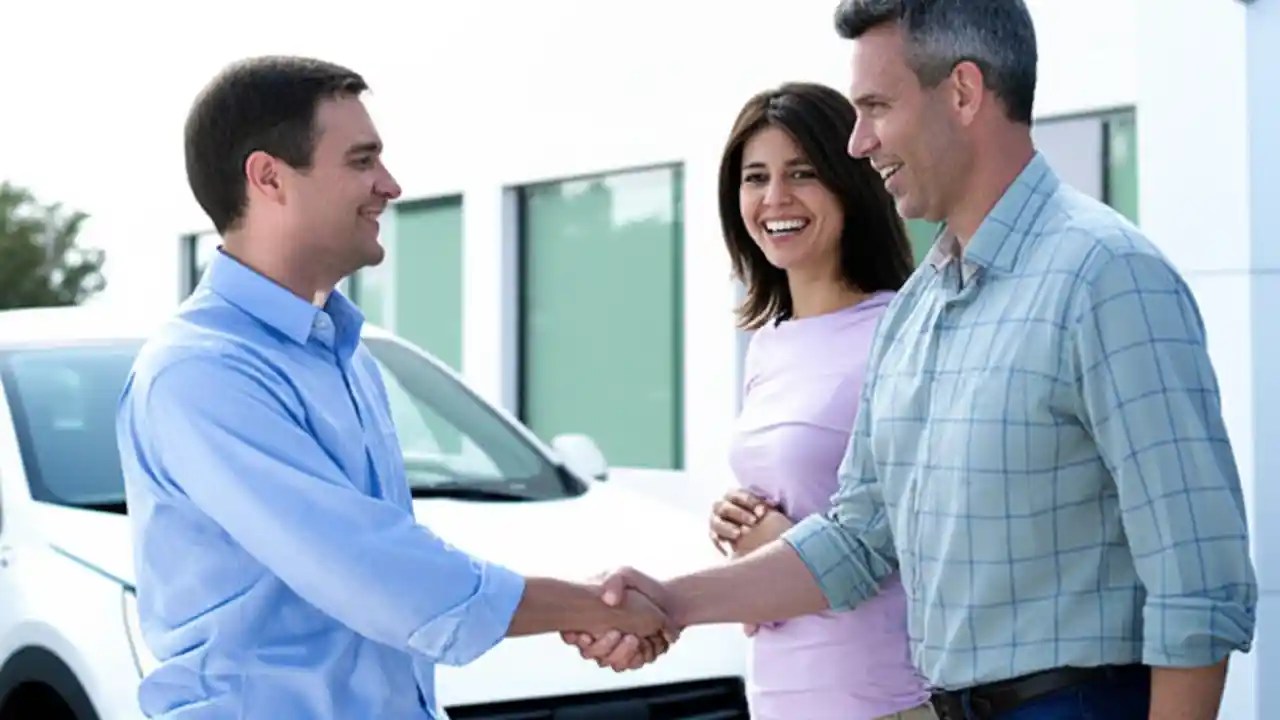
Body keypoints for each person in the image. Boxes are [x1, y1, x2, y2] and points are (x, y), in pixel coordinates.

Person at [565, 2, 1258, 719]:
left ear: (962, 92)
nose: (860, 143)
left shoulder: (1106, 275)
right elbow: (859, 540)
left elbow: (1199, 579)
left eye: (876, 107)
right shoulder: (918, 309)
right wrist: (670, 600)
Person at [115, 55, 672, 720]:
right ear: (269, 178)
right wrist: (591, 605)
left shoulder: (344, 354)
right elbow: (376, 573)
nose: (391, 185)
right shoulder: (200, 373)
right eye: (361, 160)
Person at [703, 82, 928, 719]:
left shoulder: (903, 333)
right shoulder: (768, 345)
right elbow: (796, 490)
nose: (775, 198)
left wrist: (784, 545)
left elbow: (937, 538)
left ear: (849, 184)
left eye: (801, 173)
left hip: (885, 699)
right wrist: (735, 524)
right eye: (755, 177)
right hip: (781, 697)